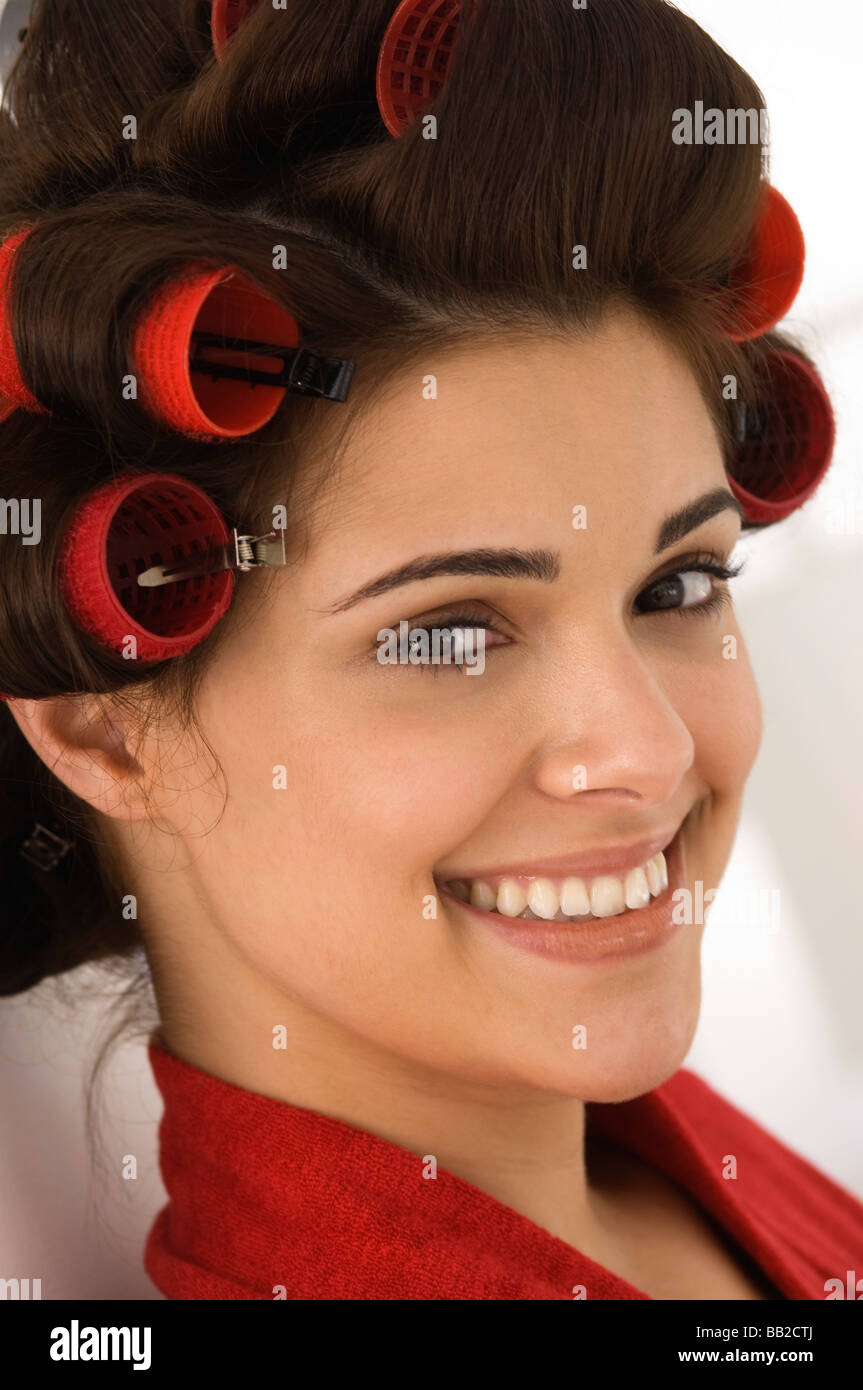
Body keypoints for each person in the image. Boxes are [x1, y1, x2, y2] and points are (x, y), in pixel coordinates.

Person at [0, 0, 859, 1301]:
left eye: (679, 582)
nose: (649, 747)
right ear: (106, 725)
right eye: (451, 630)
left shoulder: (661, 1175)